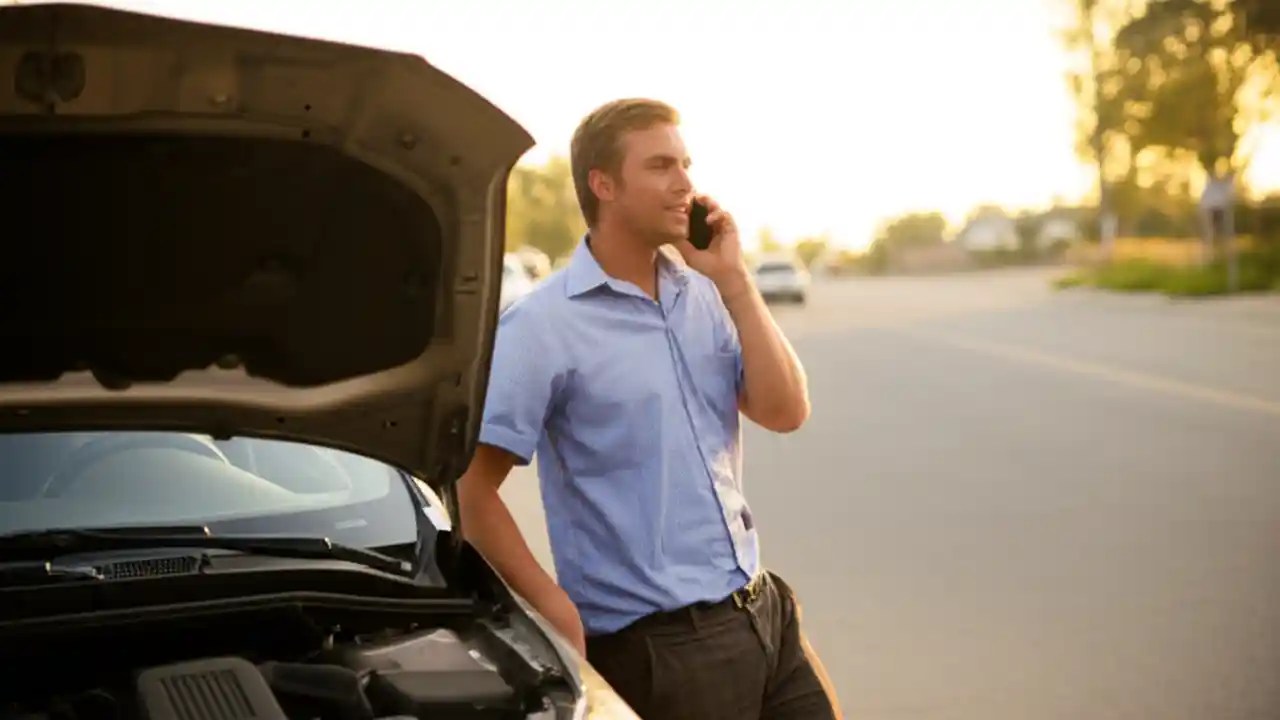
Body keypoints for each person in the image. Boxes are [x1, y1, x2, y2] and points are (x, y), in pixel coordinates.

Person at [458, 98, 841, 719]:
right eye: (661, 166)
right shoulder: (542, 325)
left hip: (763, 609)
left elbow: (785, 411)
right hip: (661, 648)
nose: (685, 182)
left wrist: (735, 281)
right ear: (603, 185)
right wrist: (552, 608)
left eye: (686, 164)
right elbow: (472, 487)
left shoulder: (706, 294)